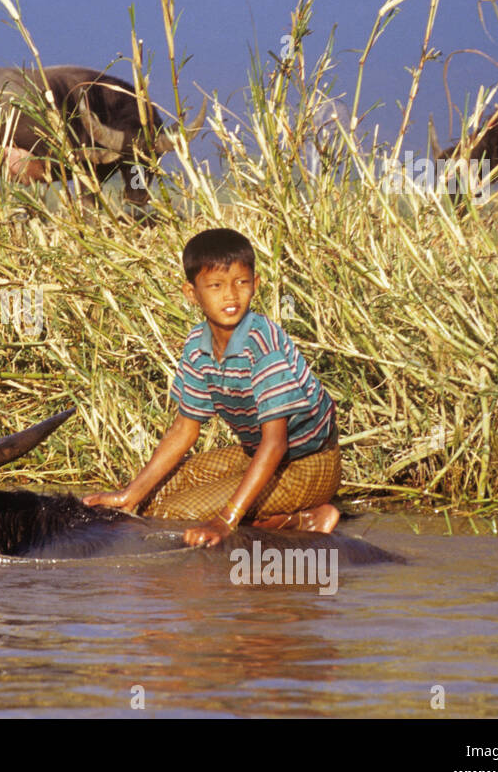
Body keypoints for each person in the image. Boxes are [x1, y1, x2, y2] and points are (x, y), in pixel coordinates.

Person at [83, 228, 341, 546]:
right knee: (152, 498)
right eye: (216, 286)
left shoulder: (262, 343)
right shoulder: (197, 345)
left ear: (255, 285)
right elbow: (184, 430)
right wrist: (129, 494)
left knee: (176, 513)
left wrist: (225, 521)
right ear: (192, 294)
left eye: (241, 283)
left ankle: (300, 520)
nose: (230, 296)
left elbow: (276, 444)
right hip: (253, 453)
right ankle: (277, 515)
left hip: (308, 463)